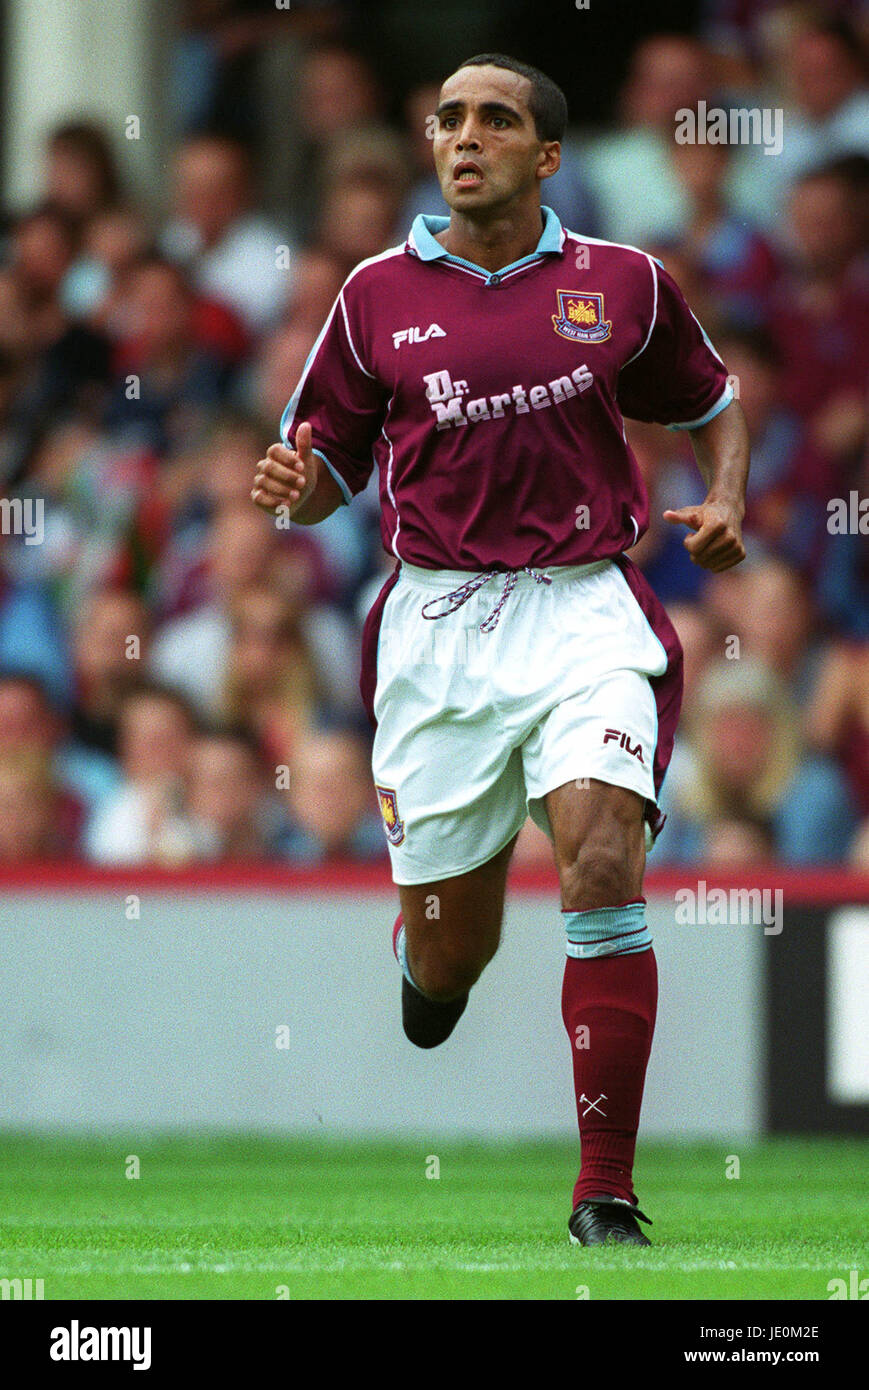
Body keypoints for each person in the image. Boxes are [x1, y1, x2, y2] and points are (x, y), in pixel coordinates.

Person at [251, 54, 749, 1248]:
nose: (463, 136)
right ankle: (427, 967)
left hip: (583, 606)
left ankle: (604, 1192)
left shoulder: (622, 284)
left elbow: (710, 401)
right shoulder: (372, 296)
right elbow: (322, 476)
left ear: (546, 156)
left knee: (597, 853)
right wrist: (296, 485)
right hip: (435, 627)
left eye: (494, 119)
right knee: (450, 950)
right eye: (447, 119)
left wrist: (726, 495)